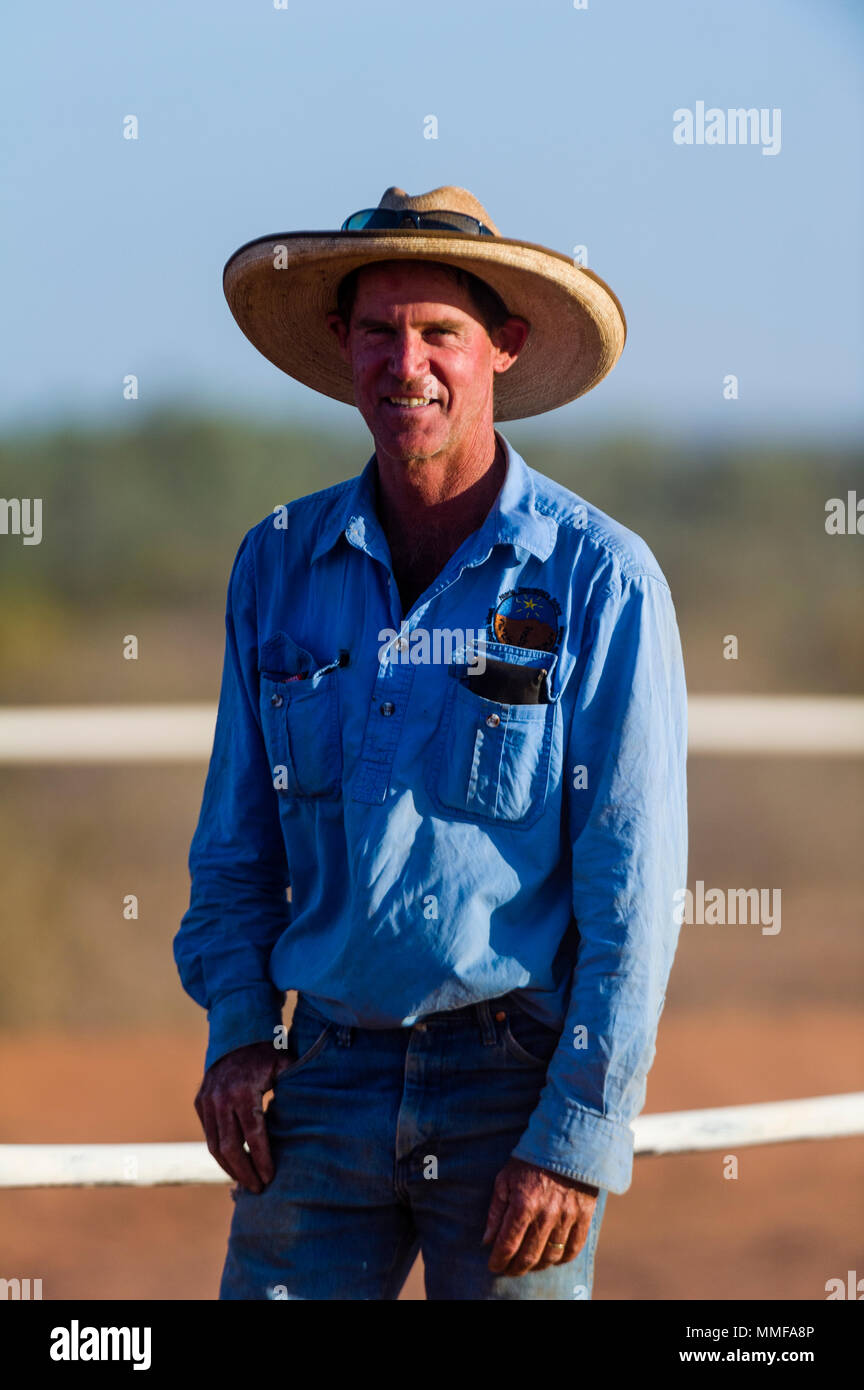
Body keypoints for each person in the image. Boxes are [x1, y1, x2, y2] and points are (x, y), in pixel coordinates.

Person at [173, 184, 688, 1300]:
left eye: (439, 331)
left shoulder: (599, 580)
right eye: (378, 330)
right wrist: (237, 1031)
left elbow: (632, 888)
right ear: (342, 347)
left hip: (514, 1082)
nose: (407, 361)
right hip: (321, 1078)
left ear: (501, 347)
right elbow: (236, 843)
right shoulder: (277, 564)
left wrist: (575, 1138)